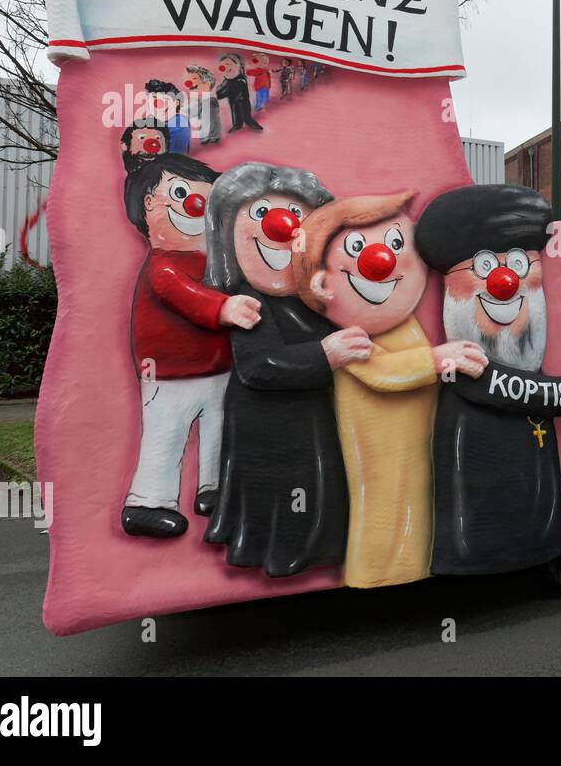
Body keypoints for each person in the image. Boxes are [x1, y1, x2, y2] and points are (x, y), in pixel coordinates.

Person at [414, 185, 561, 573]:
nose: (505, 281)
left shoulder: (524, 359)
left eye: (520, 264)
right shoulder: (467, 364)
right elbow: (524, 393)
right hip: (483, 507)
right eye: (484, 267)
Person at [294, 192, 486, 587]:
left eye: (396, 245)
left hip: (417, 439)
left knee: (416, 502)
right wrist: (435, 360)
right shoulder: (348, 338)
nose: (380, 259)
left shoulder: (402, 324)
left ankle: (410, 566)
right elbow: (380, 372)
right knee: (386, 506)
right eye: (359, 248)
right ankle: (377, 572)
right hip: (381, 445)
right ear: (320, 282)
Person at [202, 162, 360, 577]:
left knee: (317, 479)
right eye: (260, 214)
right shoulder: (248, 302)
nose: (281, 226)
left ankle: (319, 544)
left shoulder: (309, 302)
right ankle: (283, 550)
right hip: (267, 424)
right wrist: (324, 355)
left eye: (298, 217)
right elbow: (259, 366)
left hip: (310, 419)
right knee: (285, 488)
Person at [120, 154, 261, 537]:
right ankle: (147, 503)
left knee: (220, 429)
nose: (196, 207)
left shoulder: (213, 259)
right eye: (182, 194)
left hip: (217, 366)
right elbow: (180, 293)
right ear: (149, 204)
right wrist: (225, 307)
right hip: (169, 373)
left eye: (205, 198)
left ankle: (213, 489)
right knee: (166, 434)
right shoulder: (163, 265)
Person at [216, 53, 265, 133]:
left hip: (243, 101)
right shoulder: (227, 80)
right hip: (233, 101)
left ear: (238, 65)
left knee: (246, 116)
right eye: (224, 65)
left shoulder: (240, 80)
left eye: (228, 64)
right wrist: (217, 91)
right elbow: (222, 88)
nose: (225, 67)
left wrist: (217, 95)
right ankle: (237, 125)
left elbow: (228, 91)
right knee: (235, 115)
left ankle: (251, 123)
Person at [183, 65, 222, 146]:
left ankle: (211, 136)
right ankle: (208, 136)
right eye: (189, 79)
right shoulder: (198, 99)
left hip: (211, 133)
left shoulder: (209, 100)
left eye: (194, 79)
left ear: (207, 83)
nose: (190, 82)